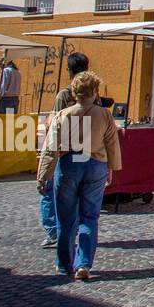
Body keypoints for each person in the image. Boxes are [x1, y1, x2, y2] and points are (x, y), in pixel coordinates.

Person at [37, 71, 122, 281]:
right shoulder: (104, 114)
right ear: (94, 91)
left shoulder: (64, 115)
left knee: (66, 219)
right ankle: (83, 263)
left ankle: (65, 264)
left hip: (69, 164)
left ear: (75, 92)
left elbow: (50, 148)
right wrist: (112, 168)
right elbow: (112, 144)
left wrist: (43, 175)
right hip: (95, 165)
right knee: (90, 217)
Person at [39, 52, 90, 247]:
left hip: (65, 150)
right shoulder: (93, 94)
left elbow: (54, 124)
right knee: (77, 192)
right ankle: (72, 230)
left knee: (50, 190)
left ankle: (54, 231)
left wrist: (45, 156)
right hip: (85, 148)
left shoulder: (64, 94)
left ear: (69, 71)